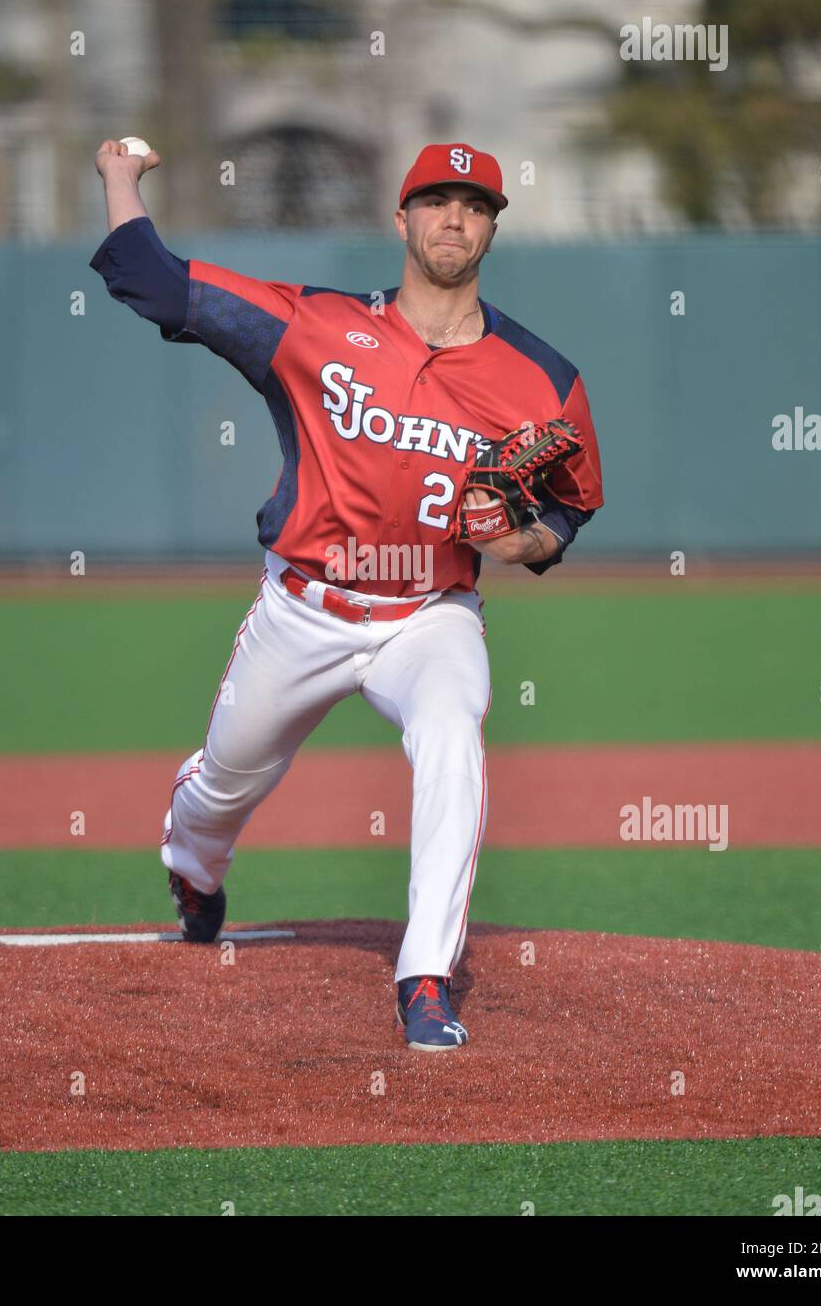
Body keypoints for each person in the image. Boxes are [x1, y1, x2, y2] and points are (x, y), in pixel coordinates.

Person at [89, 139, 604, 1050]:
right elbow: (155, 284)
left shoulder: (544, 380)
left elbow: (563, 514)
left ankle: (425, 978)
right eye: (436, 202)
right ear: (399, 218)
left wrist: (513, 540)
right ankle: (193, 871)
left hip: (429, 615)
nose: (454, 219)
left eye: (473, 205)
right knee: (219, 790)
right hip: (304, 609)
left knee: (452, 737)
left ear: (491, 227)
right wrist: (120, 177)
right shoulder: (313, 327)